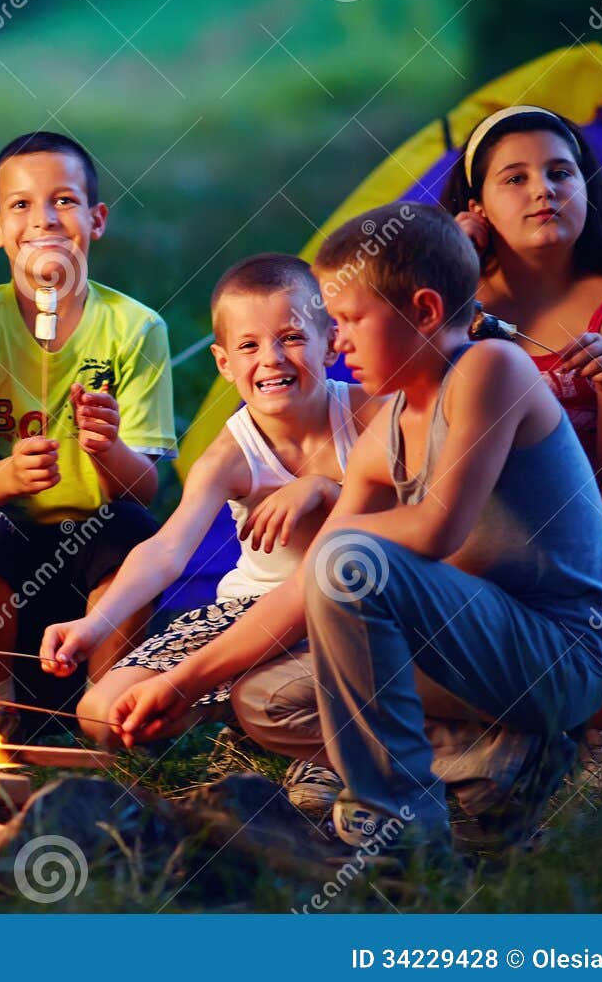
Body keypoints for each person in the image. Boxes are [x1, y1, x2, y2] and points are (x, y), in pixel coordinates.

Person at [115, 203, 602, 852]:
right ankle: (500, 762)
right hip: (468, 658)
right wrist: (179, 681)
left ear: (421, 311)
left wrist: (334, 542)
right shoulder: (381, 434)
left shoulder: (490, 369)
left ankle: (403, 821)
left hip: (559, 653)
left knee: (350, 558)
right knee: (263, 698)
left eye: (351, 320)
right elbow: (305, 586)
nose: (338, 341)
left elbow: (439, 528)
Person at [39, 254, 377, 790]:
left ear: (329, 341)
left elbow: (404, 519)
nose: (270, 359)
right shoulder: (230, 455)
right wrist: (93, 626)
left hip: (347, 610)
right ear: (223, 362)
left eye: (291, 337)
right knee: (103, 710)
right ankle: (234, 717)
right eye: (248, 345)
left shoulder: (368, 415)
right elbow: (167, 550)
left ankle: (285, 733)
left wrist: (321, 489)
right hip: (251, 613)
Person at [440, 105, 602, 786]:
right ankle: (476, 731)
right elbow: (411, 431)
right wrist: (453, 270)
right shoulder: (455, 303)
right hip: (480, 525)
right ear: (475, 207)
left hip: (586, 535)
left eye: (560, 172)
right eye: (513, 178)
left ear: (586, 188)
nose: (543, 189)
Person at [0, 131, 176, 706]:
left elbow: (145, 489)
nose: (43, 219)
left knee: (135, 534)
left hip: (96, 558)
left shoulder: (137, 329)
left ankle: (104, 706)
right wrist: (10, 477)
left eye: (63, 200)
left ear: (96, 219)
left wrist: (107, 448)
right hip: (8, 556)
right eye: (20, 204)